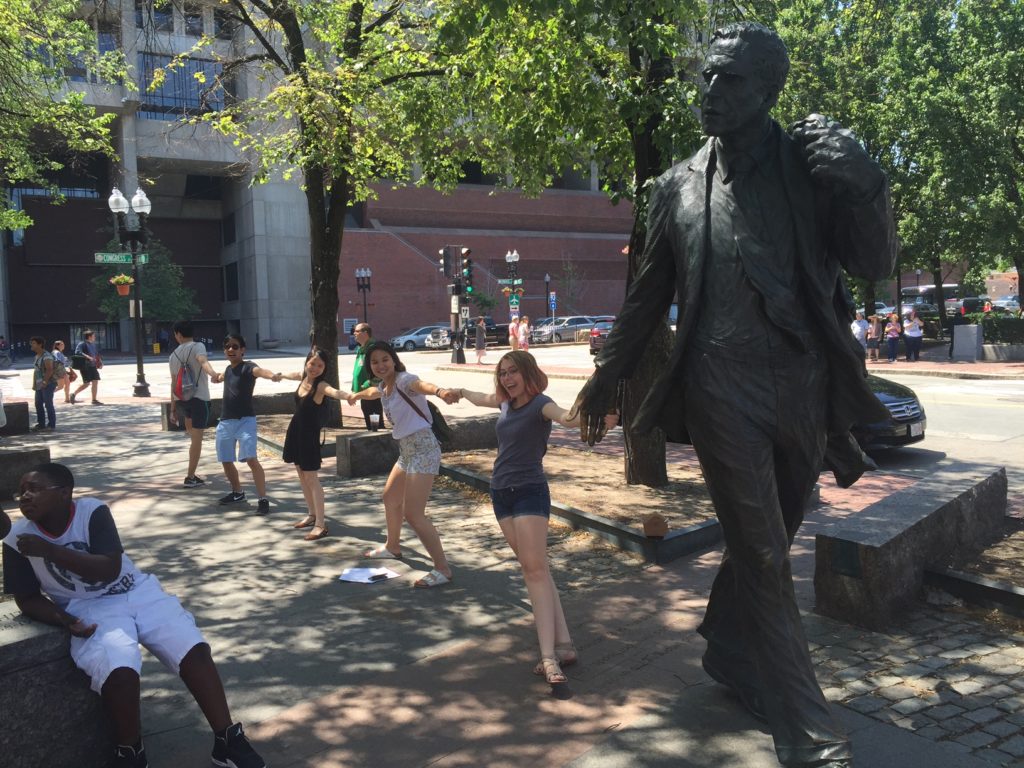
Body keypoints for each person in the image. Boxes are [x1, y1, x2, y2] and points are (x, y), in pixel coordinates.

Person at [571, 22, 895, 768]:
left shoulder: (813, 169)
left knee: (772, 537)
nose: (710, 94)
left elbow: (873, 261)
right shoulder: (674, 187)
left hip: (802, 384)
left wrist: (866, 182)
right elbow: (646, 297)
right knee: (765, 555)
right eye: (707, 77)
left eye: (732, 81)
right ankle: (807, 730)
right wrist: (606, 372)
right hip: (720, 383)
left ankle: (728, 647)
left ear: (770, 89)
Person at [2, 463, 266, 768]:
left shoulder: (92, 512)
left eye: (33, 489)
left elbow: (109, 569)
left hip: (136, 590)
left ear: (64, 493)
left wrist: (50, 551)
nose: (24, 497)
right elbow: (26, 598)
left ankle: (227, 740)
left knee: (192, 648)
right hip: (87, 606)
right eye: (20, 491)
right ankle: (130, 753)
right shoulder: (18, 538)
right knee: (120, 670)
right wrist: (62, 618)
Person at [456, 351, 616, 684]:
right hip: (501, 494)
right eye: (502, 373)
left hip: (530, 492)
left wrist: (603, 409)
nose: (507, 378)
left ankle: (549, 658)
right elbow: (481, 398)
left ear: (528, 372)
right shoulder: (504, 404)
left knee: (534, 571)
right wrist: (457, 393)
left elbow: (569, 418)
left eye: (513, 372)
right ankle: (565, 645)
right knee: (537, 570)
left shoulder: (541, 404)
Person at [348, 342, 458, 586]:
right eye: (374, 362)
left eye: (385, 359)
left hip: (423, 449)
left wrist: (440, 391)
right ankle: (393, 546)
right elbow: (372, 393)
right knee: (390, 498)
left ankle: (443, 569)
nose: (380, 365)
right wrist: (356, 394)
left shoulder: (405, 380)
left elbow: (421, 386)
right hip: (406, 450)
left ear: (394, 360)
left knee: (413, 514)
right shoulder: (384, 387)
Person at [277, 347, 353, 541]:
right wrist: (278, 376)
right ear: (306, 363)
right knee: (301, 475)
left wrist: (350, 396)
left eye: (320, 365)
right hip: (295, 432)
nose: (315, 368)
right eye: (312, 363)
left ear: (324, 368)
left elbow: (334, 391)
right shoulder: (302, 377)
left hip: (309, 436)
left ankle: (321, 524)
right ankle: (311, 515)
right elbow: (290, 374)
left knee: (311, 478)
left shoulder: (320, 386)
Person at [210, 334, 277, 514]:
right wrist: (216, 377)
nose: (230, 349)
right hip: (225, 421)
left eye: (235, 346)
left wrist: (272, 376)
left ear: (242, 350)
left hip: (245, 421)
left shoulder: (249, 367)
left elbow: (261, 372)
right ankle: (238, 492)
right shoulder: (228, 369)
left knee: (251, 459)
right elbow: (222, 376)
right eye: (227, 347)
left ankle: (263, 499)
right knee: (226, 459)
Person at [168, 321, 218, 488]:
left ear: (179, 335)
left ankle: (192, 465)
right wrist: (214, 374)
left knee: (192, 434)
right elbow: (203, 361)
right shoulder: (198, 346)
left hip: (183, 400)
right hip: (199, 398)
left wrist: (173, 408)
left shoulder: (173, 355)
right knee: (197, 439)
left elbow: (174, 382)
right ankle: (190, 477)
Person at [351, 322, 385, 430]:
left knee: (376, 425)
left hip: (372, 392)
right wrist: (354, 388)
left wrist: (370, 383)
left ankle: (378, 443)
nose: (354, 334)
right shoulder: (361, 349)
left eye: (356, 331)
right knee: (369, 422)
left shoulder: (373, 349)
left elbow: (381, 370)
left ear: (365, 333)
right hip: (363, 392)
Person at [30, 336, 57, 431]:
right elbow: (37, 371)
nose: (31, 345)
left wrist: (45, 381)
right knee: (38, 403)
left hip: (48, 383)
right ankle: (41, 424)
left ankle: (51, 425)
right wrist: (35, 384)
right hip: (39, 384)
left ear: (40, 344)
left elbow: (50, 370)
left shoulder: (47, 356)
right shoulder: (37, 356)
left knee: (48, 404)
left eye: (33, 343)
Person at [70, 329, 103, 405]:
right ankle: (73, 394)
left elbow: (96, 354)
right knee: (87, 384)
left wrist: (100, 361)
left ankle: (94, 400)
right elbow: (78, 352)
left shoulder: (93, 345)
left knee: (95, 381)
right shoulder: (82, 344)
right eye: (94, 336)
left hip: (93, 366)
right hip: (85, 366)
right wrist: (87, 356)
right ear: (89, 337)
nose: (95, 337)